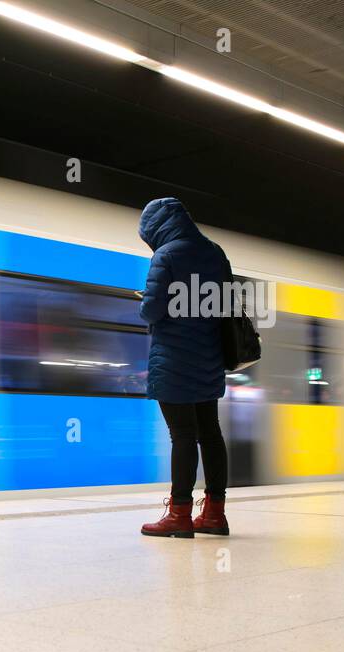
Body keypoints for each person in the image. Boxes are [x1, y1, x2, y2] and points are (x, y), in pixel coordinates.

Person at [136, 197, 230, 539]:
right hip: (208, 356)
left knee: (183, 435)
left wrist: (144, 300)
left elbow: (151, 311)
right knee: (211, 433)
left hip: (174, 359)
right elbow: (224, 305)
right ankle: (215, 513)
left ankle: (179, 514)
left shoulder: (167, 255)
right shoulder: (215, 252)